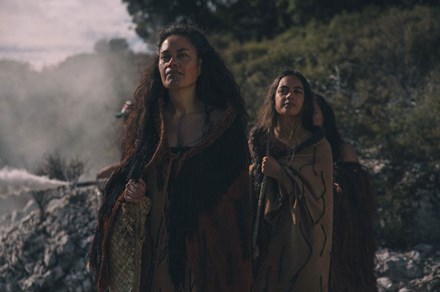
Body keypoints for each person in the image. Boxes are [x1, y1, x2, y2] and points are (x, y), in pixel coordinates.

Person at [89, 24, 253, 292]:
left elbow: (238, 193)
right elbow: (129, 174)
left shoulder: (223, 124)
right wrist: (132, 194)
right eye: (165, 57)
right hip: (154, 250)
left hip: (206, 253)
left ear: (200, 65)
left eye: (182, 55)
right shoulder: (147, 123)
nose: (172, 63)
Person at [249, 69, 334, 291]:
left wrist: (281, 174)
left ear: (305, 101)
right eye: (283, 90)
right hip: (268, 235)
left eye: (297, 92)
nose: (290, 96)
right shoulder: (260, 140)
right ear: (273, 97)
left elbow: (321, 199)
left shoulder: (318, 147)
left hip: (304, 236)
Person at [313, 93, 377, 292]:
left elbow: (360, 197)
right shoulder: (292, 150)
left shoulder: (342, 150)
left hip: (342, 238)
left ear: (324, 115)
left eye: (313, 110)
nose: (308, 115)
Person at [96, 100, 134, 180]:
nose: (124, 123)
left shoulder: (139, 136)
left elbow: (131, 162)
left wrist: (112, 169)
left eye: (127, 118)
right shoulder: (126, 138)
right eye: (124, 118)